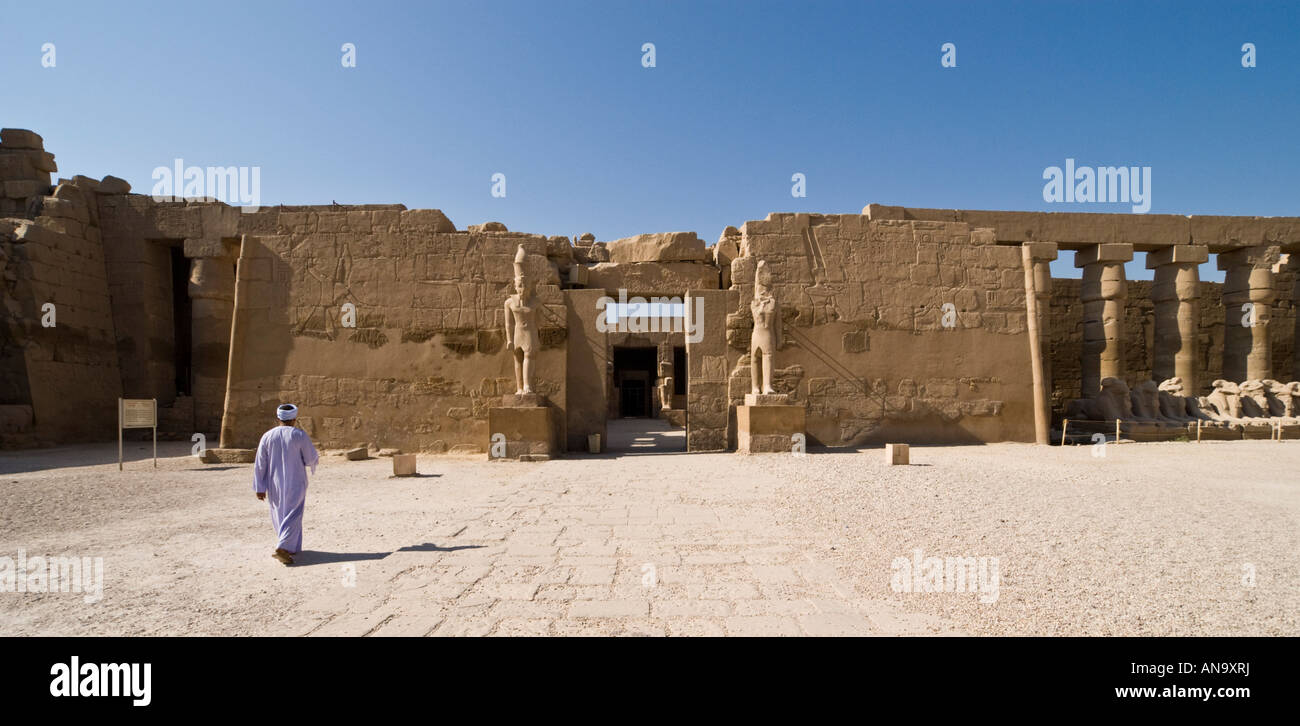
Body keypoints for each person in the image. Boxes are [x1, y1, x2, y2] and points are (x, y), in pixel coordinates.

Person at [253, 404, 319, 565]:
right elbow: (310, 458)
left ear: (278, 419)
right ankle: (283, 547)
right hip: (296, 481)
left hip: (273, 483)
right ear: (294, 419)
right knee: (293, 514)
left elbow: (260, 463)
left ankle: (291, 547)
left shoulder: (267, 436)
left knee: (279, 515)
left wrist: (259, 487)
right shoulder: (299, 435)